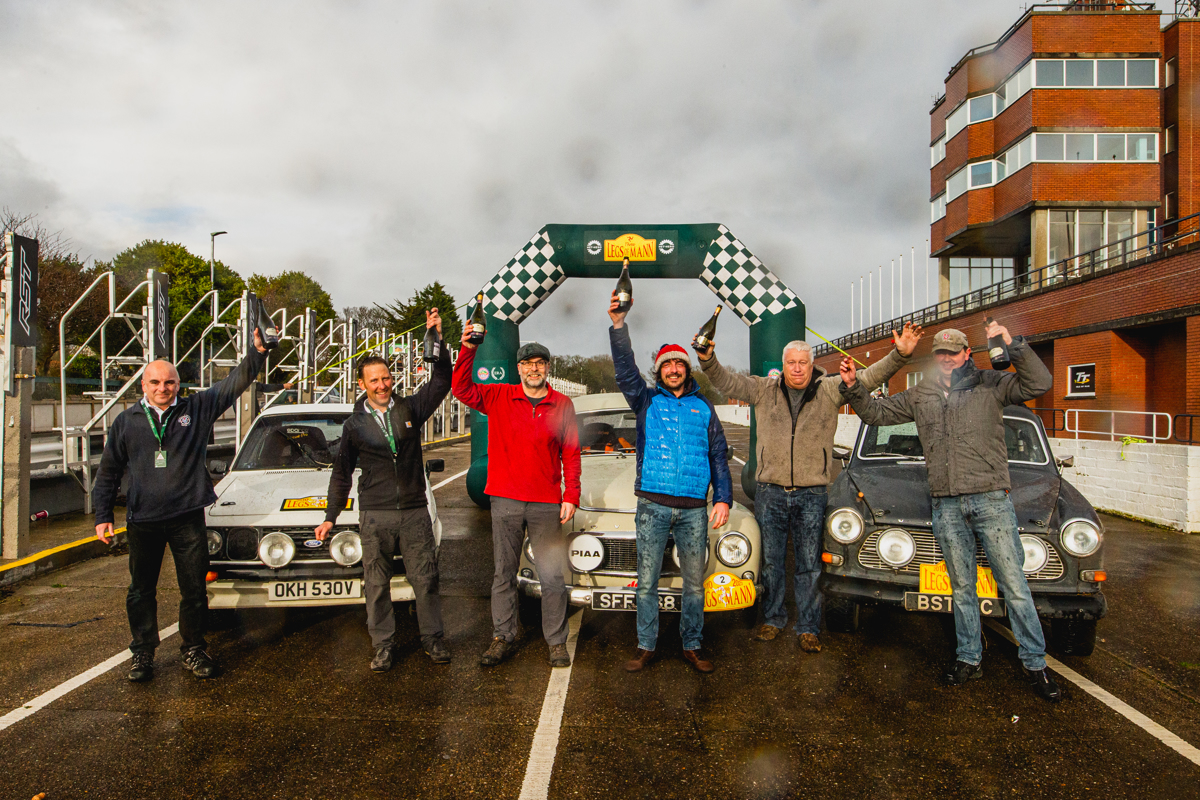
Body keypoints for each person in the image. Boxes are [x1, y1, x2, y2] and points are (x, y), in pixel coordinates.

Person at [838, 321, 1062, 701]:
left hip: (991, 500)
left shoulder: (991, 384)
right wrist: (853, 386)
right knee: (962, 588)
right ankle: (969, 658)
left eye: (952, 352)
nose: (945, 359)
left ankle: (1035, 663)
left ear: (965, 355)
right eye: (940, 353)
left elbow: (1039, 384)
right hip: (946, 503)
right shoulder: (921, 393)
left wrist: (1012, 343)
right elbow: (875, 414)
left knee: (1014, 585)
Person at [697, 323, 922, 652]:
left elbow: (869, 378)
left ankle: (808, 627)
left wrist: (900, 354)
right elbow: (727, 380)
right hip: (771, 492)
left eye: (803, 362)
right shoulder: (763, 390)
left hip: (812, 494)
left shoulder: (829, 389)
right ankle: (773, 618)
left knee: (808, 564)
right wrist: (707, 360)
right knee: (772, 563)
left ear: (811, 364)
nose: (798, 368)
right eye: (791, 363)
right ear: (783, 365)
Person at [93, 330, 269, 682]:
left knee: (194, 589)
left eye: (170, 382)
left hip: (187, 517)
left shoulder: (196, 409)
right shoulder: (126, 422)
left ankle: (193, 648)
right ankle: (142, 653)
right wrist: (102, 516)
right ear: (143, 385)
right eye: (156, 382)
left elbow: (233, 383)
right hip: (143, 520)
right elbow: (109, 471)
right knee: (141, 590)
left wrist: (258, 352)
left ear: (178, 384)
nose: (163, 388)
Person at [316, 309, 451, 672]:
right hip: (375, 515)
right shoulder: (354, 425)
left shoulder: (410, 408)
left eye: (386, 378)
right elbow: (341, 473)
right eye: (374, 380)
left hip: (413, 510)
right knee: (376, 583)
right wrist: (330, 516)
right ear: (362, 384)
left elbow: (441, 381)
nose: (382, 385)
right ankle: (383, 645)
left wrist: (437, 340)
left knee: (425, 578)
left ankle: (433, 639)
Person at [609, 292, 733, 674]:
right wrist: (618, 326)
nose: (674, 369)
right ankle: (646, 645)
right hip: (652, 505)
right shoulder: (646, 401)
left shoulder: (704, 407)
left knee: (695, 585)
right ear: (659, 372)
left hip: (695, 510)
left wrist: (723, 498)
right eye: (667, 365)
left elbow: (718, 455)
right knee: (645, 581)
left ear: (687, 369)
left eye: (680, 363)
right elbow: (625, 370)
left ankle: (692, 645)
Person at [452, 330, 581, 669]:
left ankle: (555, 641)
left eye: (539, 363)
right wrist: (467, 349)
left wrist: (572, 495)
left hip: (545, 501)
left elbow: (571, 451)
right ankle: (502, 636)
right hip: (505, 500)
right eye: (527, 363)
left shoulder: (562, 405)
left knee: (552, 575)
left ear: (548, 368)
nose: (533, 369)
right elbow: (461, 388)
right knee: (504, 573)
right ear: (519, 368)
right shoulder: (499, 396)